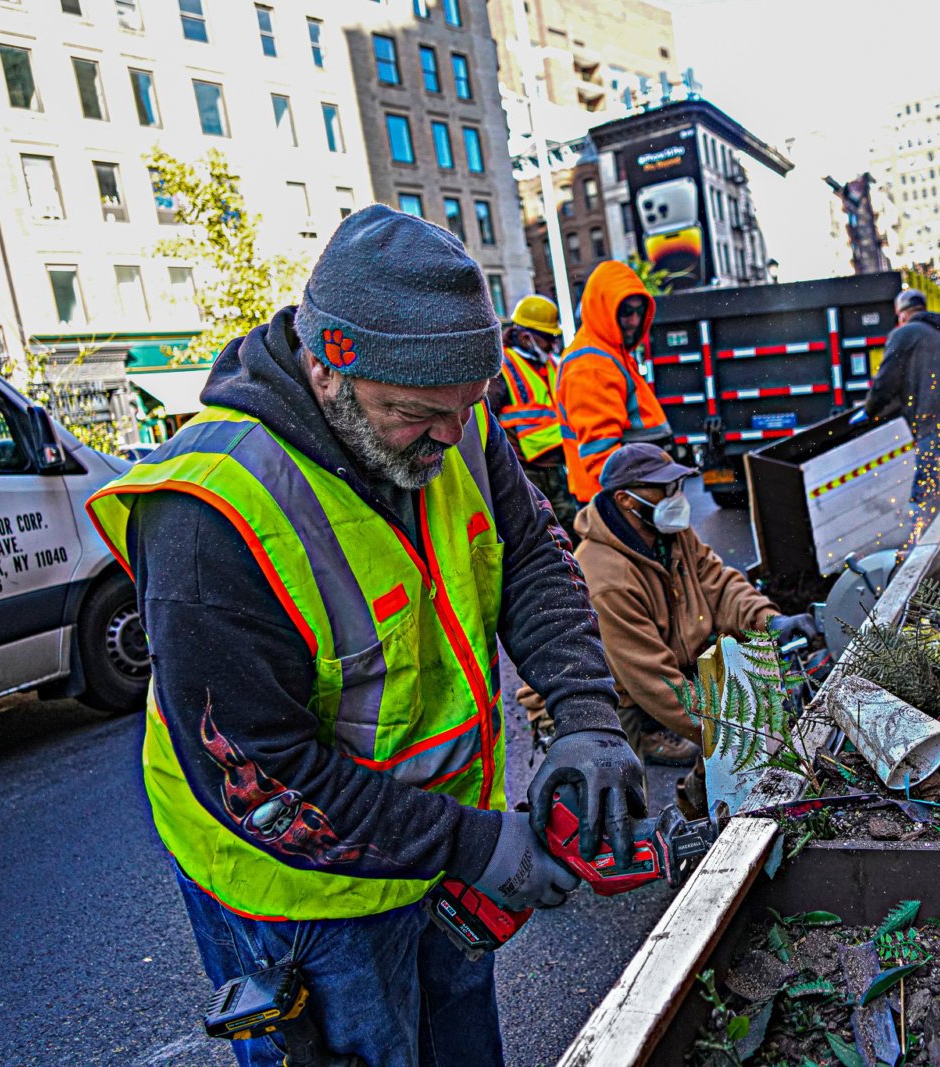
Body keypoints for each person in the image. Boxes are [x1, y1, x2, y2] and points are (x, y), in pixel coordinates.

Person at [84, 206, 644, 1067]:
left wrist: (585, 712)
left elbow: (529, 552)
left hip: (437, 844)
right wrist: (478, 844)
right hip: (304, 895)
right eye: (417, 413)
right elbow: (267, 781)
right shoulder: (210, 519)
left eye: (466, 408)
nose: (451, 438)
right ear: (329, 363)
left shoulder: (453, 418)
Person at [556, 443, 818, 818]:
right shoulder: (606, 578)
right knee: (621, 813)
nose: (675, 497)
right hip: (604, 691)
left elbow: (719, 583)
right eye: (663, 489)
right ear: (626, 500)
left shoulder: (667, 535)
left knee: (729, 734)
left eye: (677, 486)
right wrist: (732, 731)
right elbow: (657, 682)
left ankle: (700, 817)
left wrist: (769, 622)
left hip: (657, 667)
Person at [554, 260, 672, 504]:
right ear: (603, 308)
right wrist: (632, 501)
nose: (634, 321)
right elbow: (602, 457)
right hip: (615, 499)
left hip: (627, 491)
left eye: (639, 312)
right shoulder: (590, 363)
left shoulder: (609, 353)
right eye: (626, 311)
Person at [866, 289, 940, 503]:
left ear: (901, 314)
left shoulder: (905, 334)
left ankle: (930, 536)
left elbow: (885, 381)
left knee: (930, 497)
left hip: (939, 425)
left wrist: (869, 411)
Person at [491, 294, 579, 537]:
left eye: (554, 337)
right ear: (526, 335)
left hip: (556, 464)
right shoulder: (500, 367)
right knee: (537, 534)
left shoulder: (552, 364)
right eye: (548, 337)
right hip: (524, 471)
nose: (553, 344)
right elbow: (485, 422)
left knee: (568, 529)